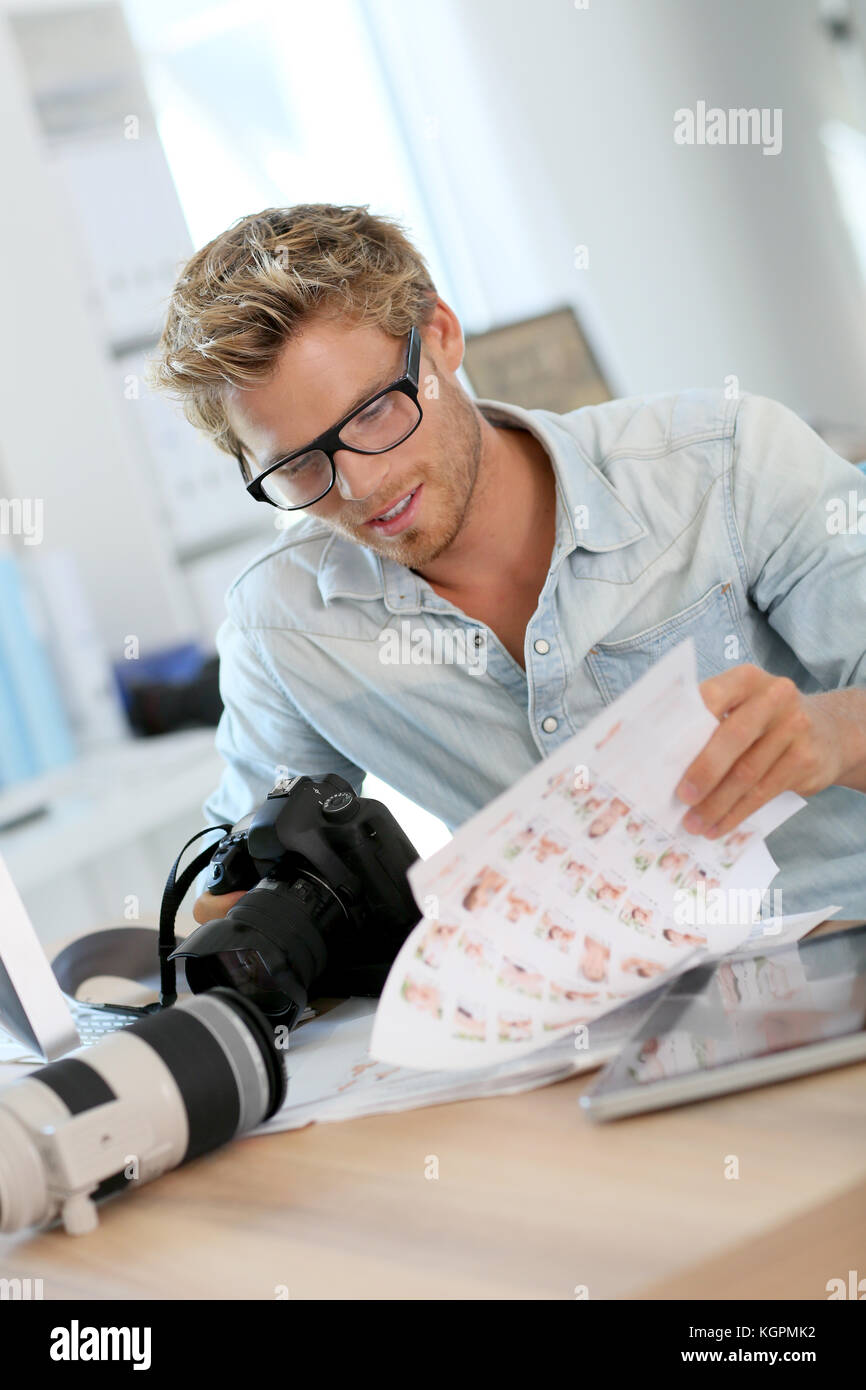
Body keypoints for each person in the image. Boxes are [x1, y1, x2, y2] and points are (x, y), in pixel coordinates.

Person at [149, 204, 866, 925]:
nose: (360, 488)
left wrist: (835, 735)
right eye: (300, 466)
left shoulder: (727, 460)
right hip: (596, 1022)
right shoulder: (283, 624)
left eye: (373, 413)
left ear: (441, 336)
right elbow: (231, 891)